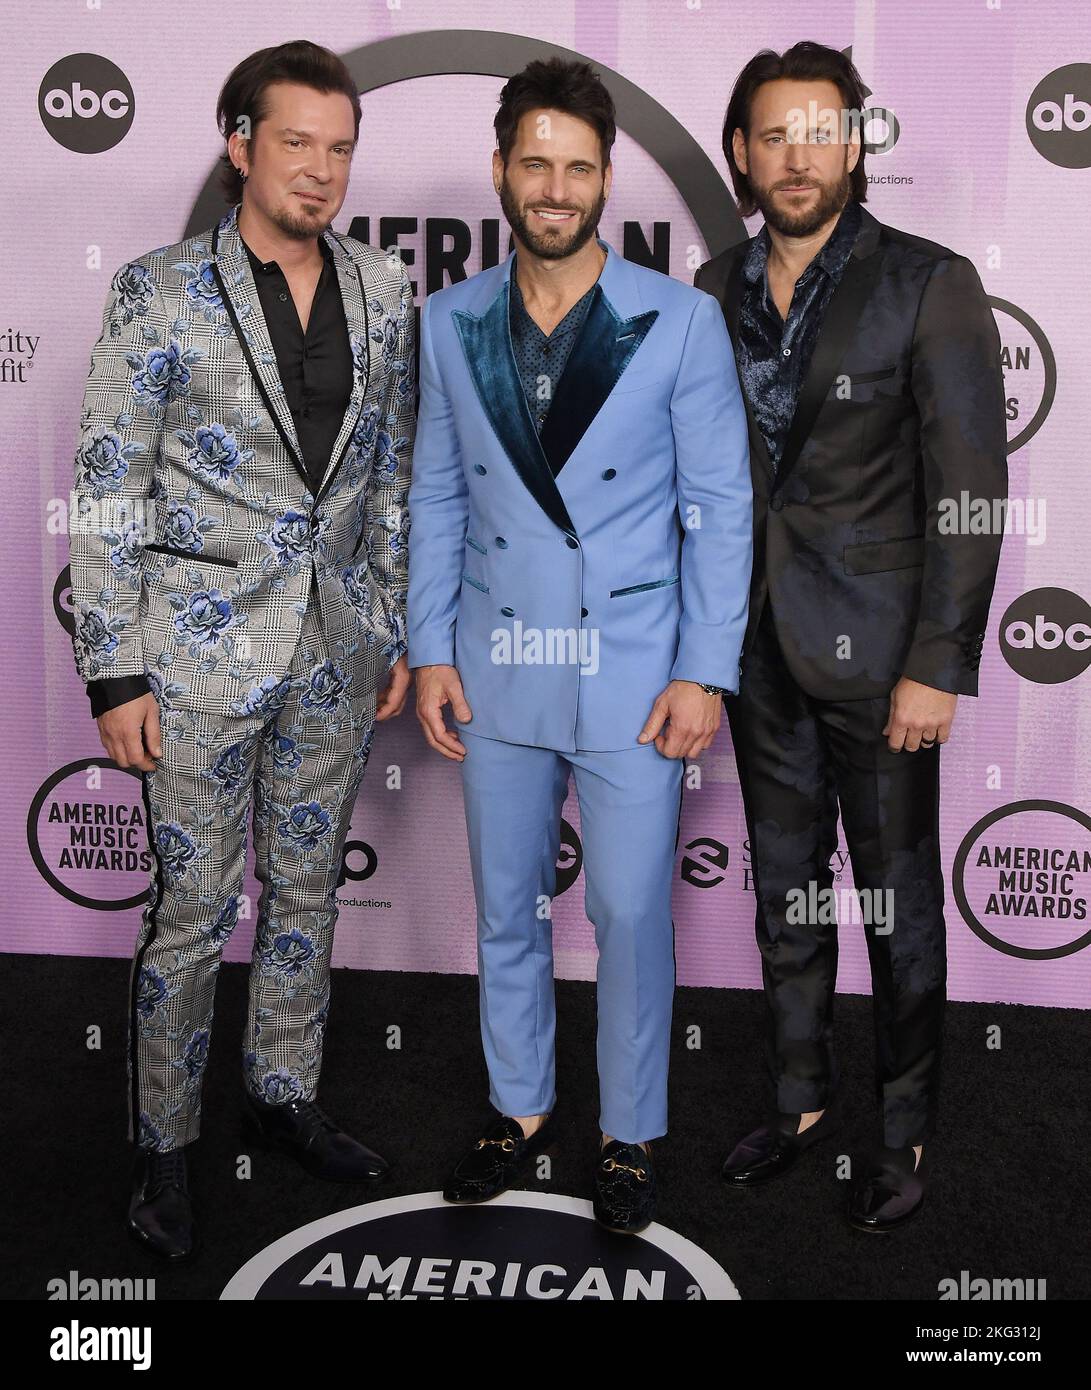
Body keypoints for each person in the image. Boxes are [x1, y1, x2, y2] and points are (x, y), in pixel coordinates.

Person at [68, 40, 416, 1259]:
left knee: (308, 893)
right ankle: (163, 1147)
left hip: (334, 654)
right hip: (194, 659)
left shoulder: (385, 288)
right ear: (239, 144)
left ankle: (281, 1093)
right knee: (193, 907)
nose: (319, 171)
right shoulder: (161, 291)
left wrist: (385, 623)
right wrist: (113, 671)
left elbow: (390, 477)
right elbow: (106, 488)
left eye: (338, 148)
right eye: (295, 143)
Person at [407, 57, 752, 1235]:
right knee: (506, 906)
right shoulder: (446, 320)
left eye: (578, 167)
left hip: (633, 669)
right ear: (501, 168)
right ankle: (519, 1109)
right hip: (495, 657)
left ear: (606, 177)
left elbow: (719, 507)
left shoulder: (678, 318)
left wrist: (705, 667)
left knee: (625, 910)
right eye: (534, 163)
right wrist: (429, 645)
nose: (555, 187)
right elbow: (437, 495)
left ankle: (627, 1132)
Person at [696, 41, 1007, 1231]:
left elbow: (967, 489)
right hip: (755, 655)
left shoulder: (927, 281)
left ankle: (904, 1127)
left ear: (854, 146)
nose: (796, 156)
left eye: (820, 131)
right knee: (786, 892)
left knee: (892, 902)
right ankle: (798, 1101)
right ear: (740, 151)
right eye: (773, 134)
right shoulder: (712, 285)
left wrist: (938, 661)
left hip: (884, 665)